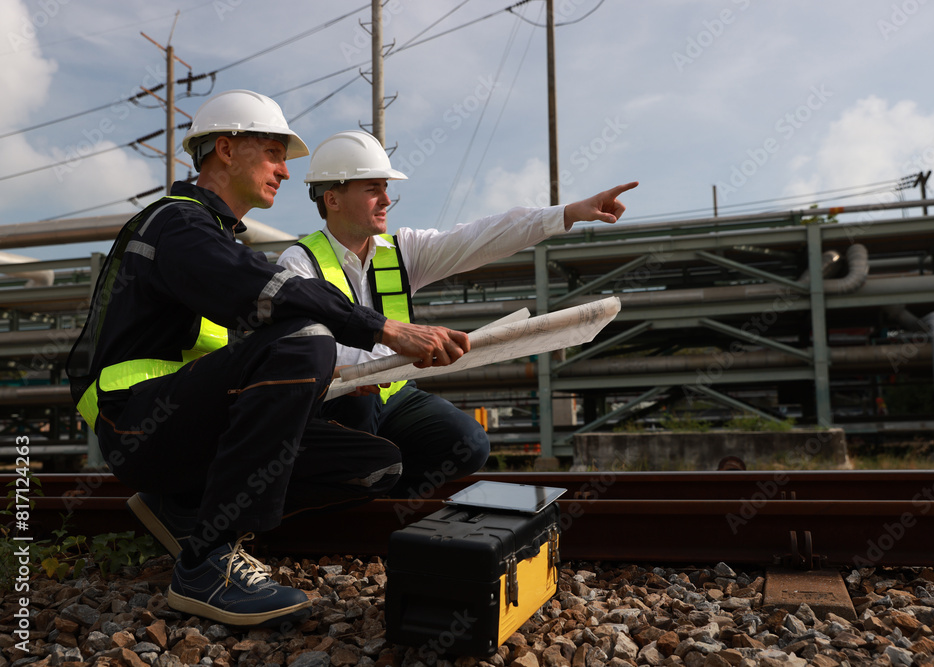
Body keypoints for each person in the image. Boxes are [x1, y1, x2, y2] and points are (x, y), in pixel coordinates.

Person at [65, 91, 470, 628]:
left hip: (186, 427)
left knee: (375, 464)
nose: (284, 170)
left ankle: (185, 507)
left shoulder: (215, 238)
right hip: (137, 423)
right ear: (227, 150)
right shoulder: (175, 224)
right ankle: (206, 563)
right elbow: (268, 292)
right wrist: (383, 327)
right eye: (275, 152)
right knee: (306, 338)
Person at [278, 129, 637, 498]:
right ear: (332, 198)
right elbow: (294, 355)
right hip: (337, 403)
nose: (387, 199)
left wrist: (567, 213)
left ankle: (380, 499)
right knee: (360, 407)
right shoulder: (299, 264)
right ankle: (342, 495)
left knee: (469, 444)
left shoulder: (401, 251)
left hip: (394, 396)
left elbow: (479, 238)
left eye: (385, 187)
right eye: (372, 189)